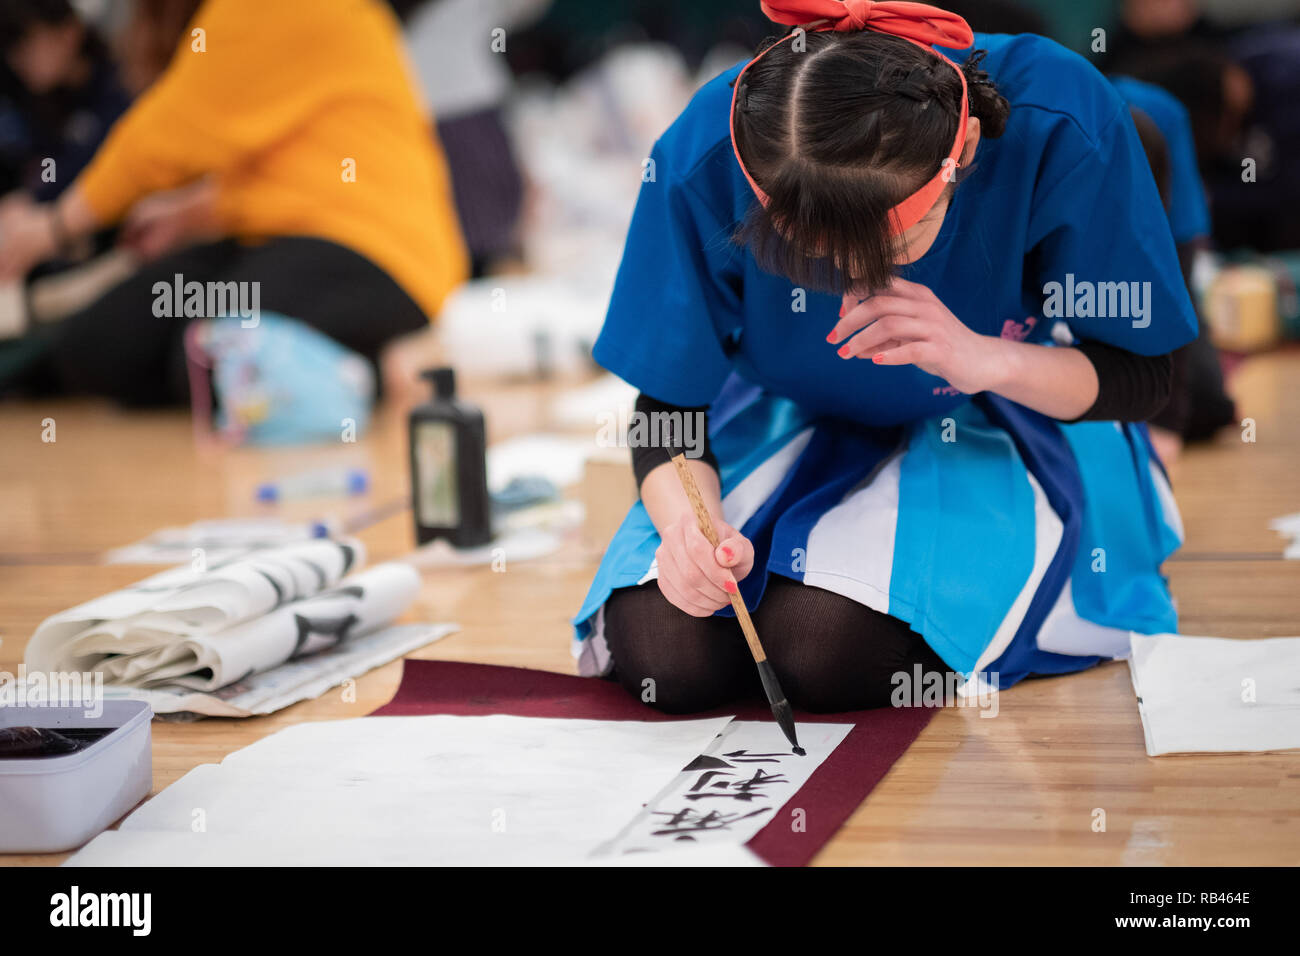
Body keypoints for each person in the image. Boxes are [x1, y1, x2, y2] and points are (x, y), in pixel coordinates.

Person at [572, 0, 1197, 714]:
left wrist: (979, 357)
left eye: (893, 244)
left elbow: (1143, 376)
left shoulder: (1061, 115)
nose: (852, 279)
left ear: (961, 150)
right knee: (669, 653)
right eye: (812, 253)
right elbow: (667, 409)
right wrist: (692, 530)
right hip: (784, 410)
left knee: (820, 651)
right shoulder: (703, 152)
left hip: (998, 408)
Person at [0, 0, 467, 405]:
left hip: (379, 251)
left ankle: (375, 366)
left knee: (215, 358)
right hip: (278, 238)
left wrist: (55, 226)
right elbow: (285, 154)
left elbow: (166, 134)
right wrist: (199, 212)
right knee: (101, 344)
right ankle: (277, 374)